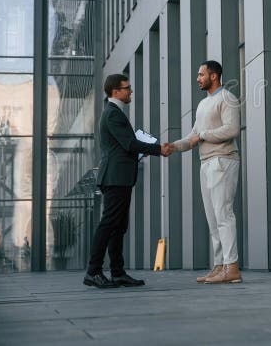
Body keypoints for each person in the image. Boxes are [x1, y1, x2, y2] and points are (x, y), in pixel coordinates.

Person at [83, 74, 173, 288]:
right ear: (116, 91)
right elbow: (130, 144)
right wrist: (157, 148)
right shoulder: (113, 114)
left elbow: (126, 145)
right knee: (108, 224)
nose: (130, 91)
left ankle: (117, 272)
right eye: (127, 88)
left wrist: (145, 150)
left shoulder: (113, 112)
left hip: (119, 177)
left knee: (118, 226)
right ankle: (93, 271)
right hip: (115, 178)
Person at [172, 60, 241, 284]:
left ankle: (232, 268)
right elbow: (193, 135)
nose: (198, 78)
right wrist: (172, 147)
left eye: (201, 74)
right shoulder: (203, 105)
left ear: (214, 76)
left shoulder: (227, 98)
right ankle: (220, 266)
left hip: (223, 160)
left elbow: (232, 129)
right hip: (206, 163)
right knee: (213, 219)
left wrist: (202, 135)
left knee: (224, 215)